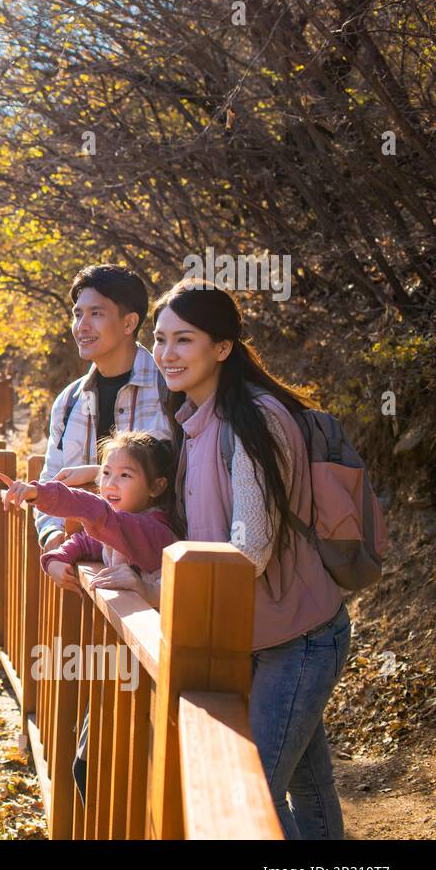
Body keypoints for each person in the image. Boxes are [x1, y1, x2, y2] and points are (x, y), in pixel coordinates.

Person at [149, 277, 352, 839]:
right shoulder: (194, 420)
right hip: (258, 635)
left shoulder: (252, 420)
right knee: (309, 788)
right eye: (161, 339)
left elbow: (251, 549)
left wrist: (169, 587)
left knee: (252, 793)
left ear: (222, 348)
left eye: (184, 340)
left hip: (300, 637)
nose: (167, 353)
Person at [4, 430, 180, 802]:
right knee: (86, 766)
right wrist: (54, 559)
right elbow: (85, 540)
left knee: (123, 779)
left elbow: (94, 513)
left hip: (152, 670)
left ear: (157, 486)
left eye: (125, 475)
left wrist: (41, 494)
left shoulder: (153, 529)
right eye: (105, 473)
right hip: (120, 667)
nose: (110, 484)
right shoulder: (121, 521)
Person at [37, 265, 171, 555]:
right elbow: (52, 477)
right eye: (77, 314)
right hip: (80, 568)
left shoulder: (169, 393)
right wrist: (52, 535)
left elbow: (181, 486)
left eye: (96, 313)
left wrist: (97, 474)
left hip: (146, 576)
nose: (82, 325)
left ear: (129, 323)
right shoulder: (69, 400)